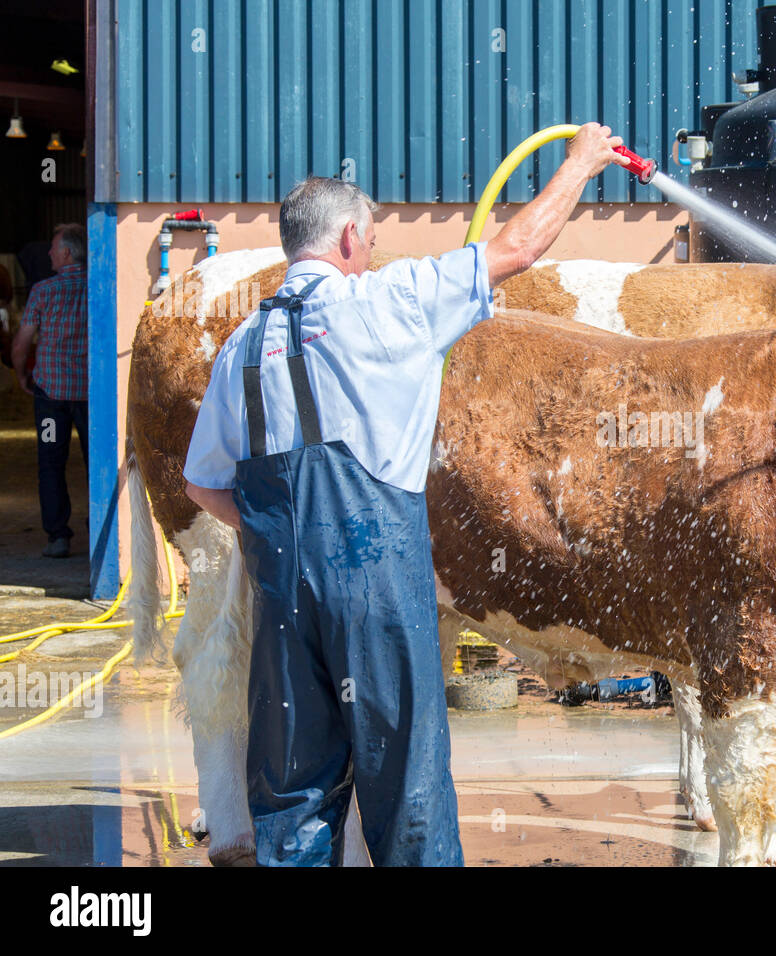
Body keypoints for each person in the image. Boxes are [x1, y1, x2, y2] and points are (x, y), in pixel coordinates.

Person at [182, 122, 627, 866]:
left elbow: (202, 483)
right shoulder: (387, 302)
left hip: (283, 596)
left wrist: (273, 533)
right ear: (352, 238)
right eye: (374, 237)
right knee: (406, 790)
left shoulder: (241, 345)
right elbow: (516, 249)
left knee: (293, 798)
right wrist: (581, 164)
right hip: (375, 587)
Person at [12, 224, 89, 559]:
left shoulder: (43, 290)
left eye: (54, 248)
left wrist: (20, 375)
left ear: (67, 253)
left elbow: (21, 343)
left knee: (50, 464)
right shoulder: (97, 286)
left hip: (50, 398)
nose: (48, 254)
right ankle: (103, 530)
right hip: (90, 397)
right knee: (94, 461)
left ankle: (58, 537)